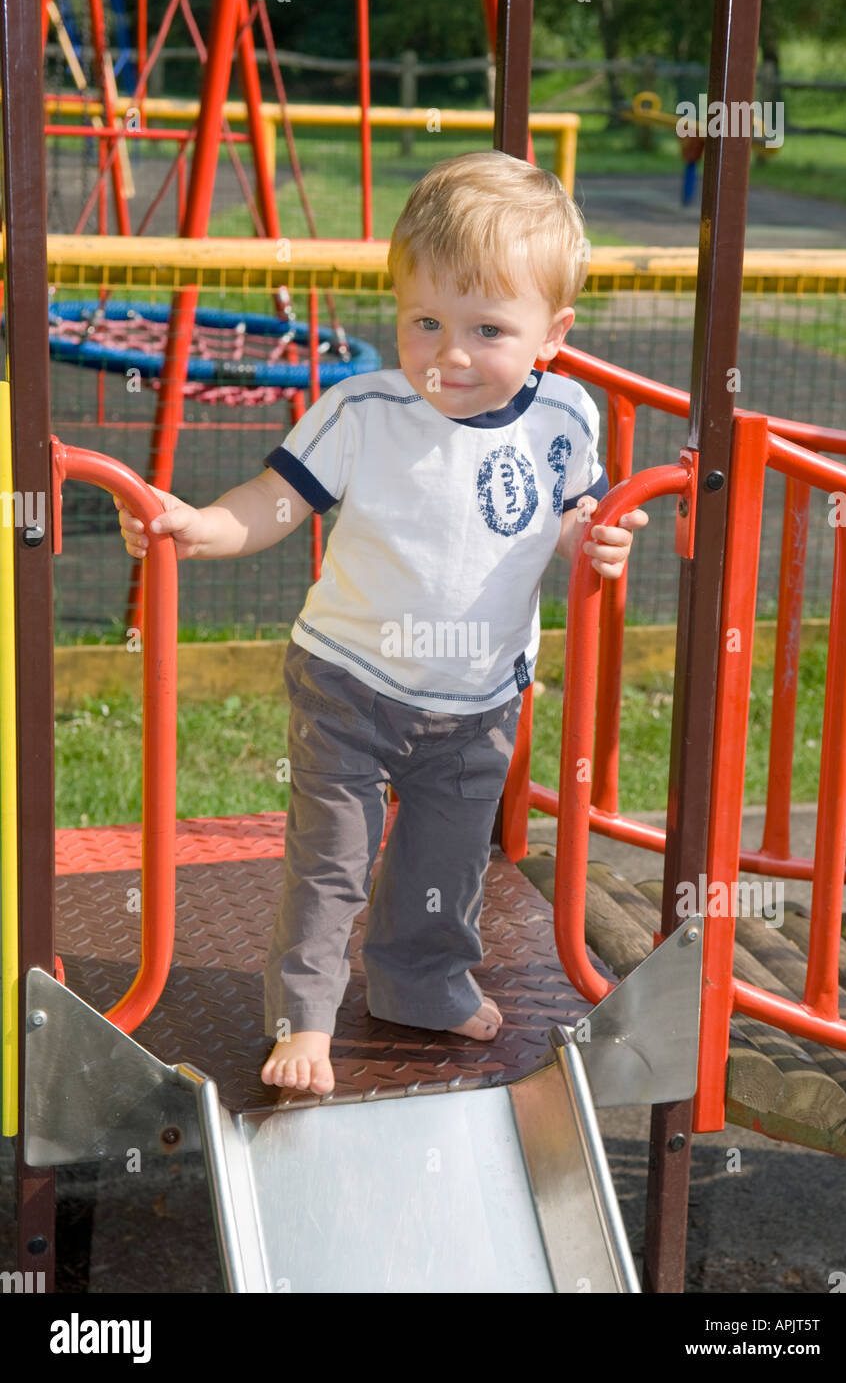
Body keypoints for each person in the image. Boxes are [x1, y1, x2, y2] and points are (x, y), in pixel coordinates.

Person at [115, 150, 648, 1097]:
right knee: (334, 861)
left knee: (446, 859)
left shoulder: (564, 416)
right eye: (424, 321)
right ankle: (305, 1017)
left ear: (552, 333)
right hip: (350, 683)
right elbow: (279, 501)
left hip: (479, 697)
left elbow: (570, 519)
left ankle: (421, 982)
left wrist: (594, 542)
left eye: (487, 329)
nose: (448, 352)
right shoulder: (363, 410)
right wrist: (199, 526)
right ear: (397, 309)